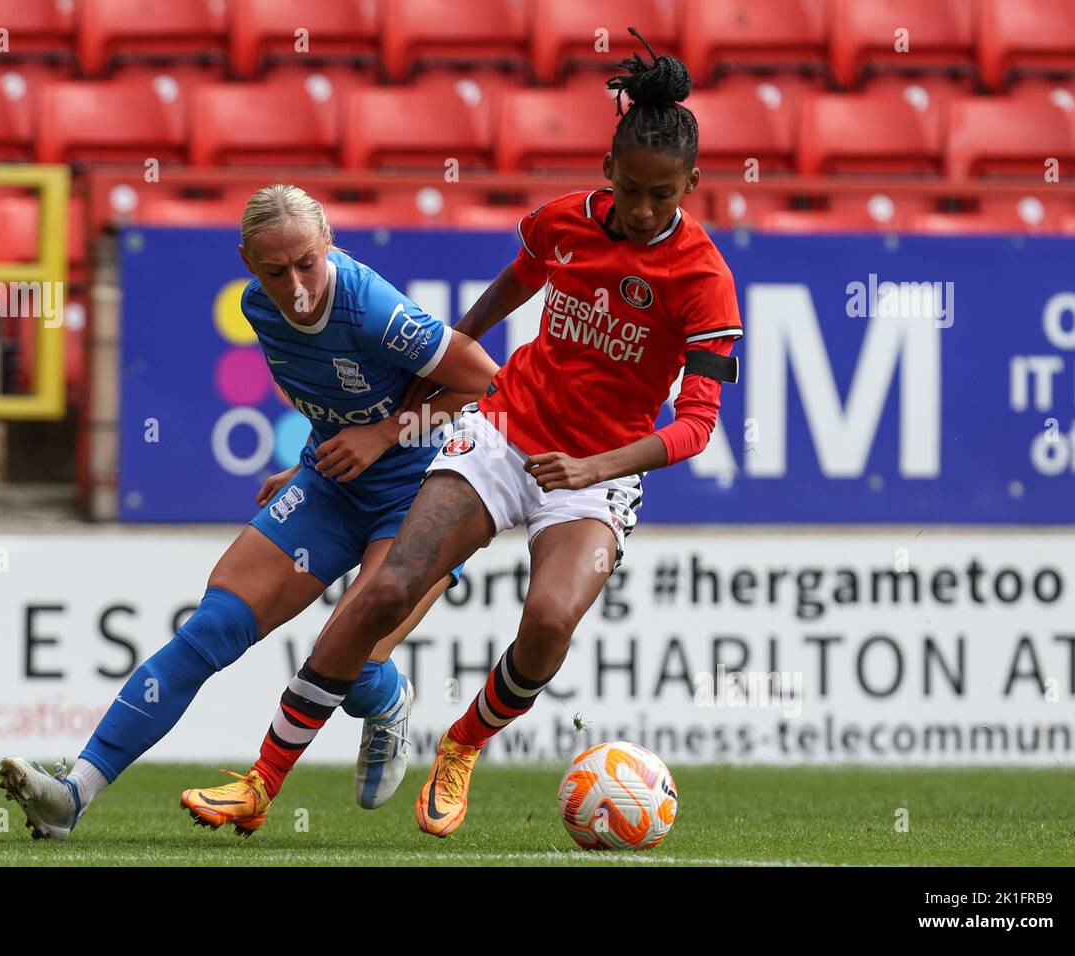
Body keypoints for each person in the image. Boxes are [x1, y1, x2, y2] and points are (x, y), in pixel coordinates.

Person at [179, 28, 743, 839]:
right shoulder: (563, 223)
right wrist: (443, 369)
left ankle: (462, 744)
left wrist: (595, 469)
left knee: (549, 622)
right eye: (632, 190)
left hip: (596, 470)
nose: (645, 209)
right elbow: (514, 284)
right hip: (505, 432)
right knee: (384, 591)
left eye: (665, 195)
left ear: (693, 182)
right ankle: (262, 782)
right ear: (609, 171)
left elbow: (696, 426)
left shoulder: (705, 283)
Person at [0, 184, 498, 838]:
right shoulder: (260, 309)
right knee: (210, 630)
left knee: (346, 656)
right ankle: (72, 796)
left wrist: (380, 436)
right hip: (334, 483)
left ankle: (386, 698)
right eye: (274, 270)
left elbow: (483, 378)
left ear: (329, 245)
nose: (294, 286)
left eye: (307, 264)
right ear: (246, 262)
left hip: (421, 493)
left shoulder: (373, 307)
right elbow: (334, 397)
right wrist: (313, 459)